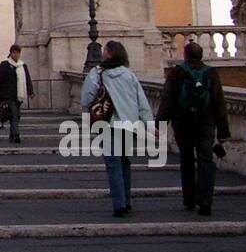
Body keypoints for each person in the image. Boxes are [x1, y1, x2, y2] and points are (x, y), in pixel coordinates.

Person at [81, 40, 154, 218]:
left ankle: (119, 204)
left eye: (105, 50)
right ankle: (126, 201)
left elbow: (86, 98)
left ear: (110, 53)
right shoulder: (129, 75)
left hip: (108, 124)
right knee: (124, 162)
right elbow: (142, 103)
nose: (102, 52)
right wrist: (150, 124)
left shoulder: (97, 73)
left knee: (113, 164)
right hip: (129, 125)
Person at [158, 41, 230, 216]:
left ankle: (189, 198)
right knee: (206, 160)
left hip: (183, 122)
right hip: (205, 122)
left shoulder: (177, 72)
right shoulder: (211, 73)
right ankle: (205, 200)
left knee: (187, 159)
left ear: (185, 55)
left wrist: (160, 124)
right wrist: (223, 130)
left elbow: (168, 100)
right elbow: (219, 102)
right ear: (201, 55)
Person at [0, 44, 33, 144]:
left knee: (16, 116)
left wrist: (30, 91)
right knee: (14, 113)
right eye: (14, 53)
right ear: (11, 53)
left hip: (19, 95)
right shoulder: (4, 65)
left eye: (18, 53)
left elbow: (27, 79)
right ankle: (16, 135)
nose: (16, 55)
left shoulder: (23, 65)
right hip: (8, 95)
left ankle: (12, 135)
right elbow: (0, 80)